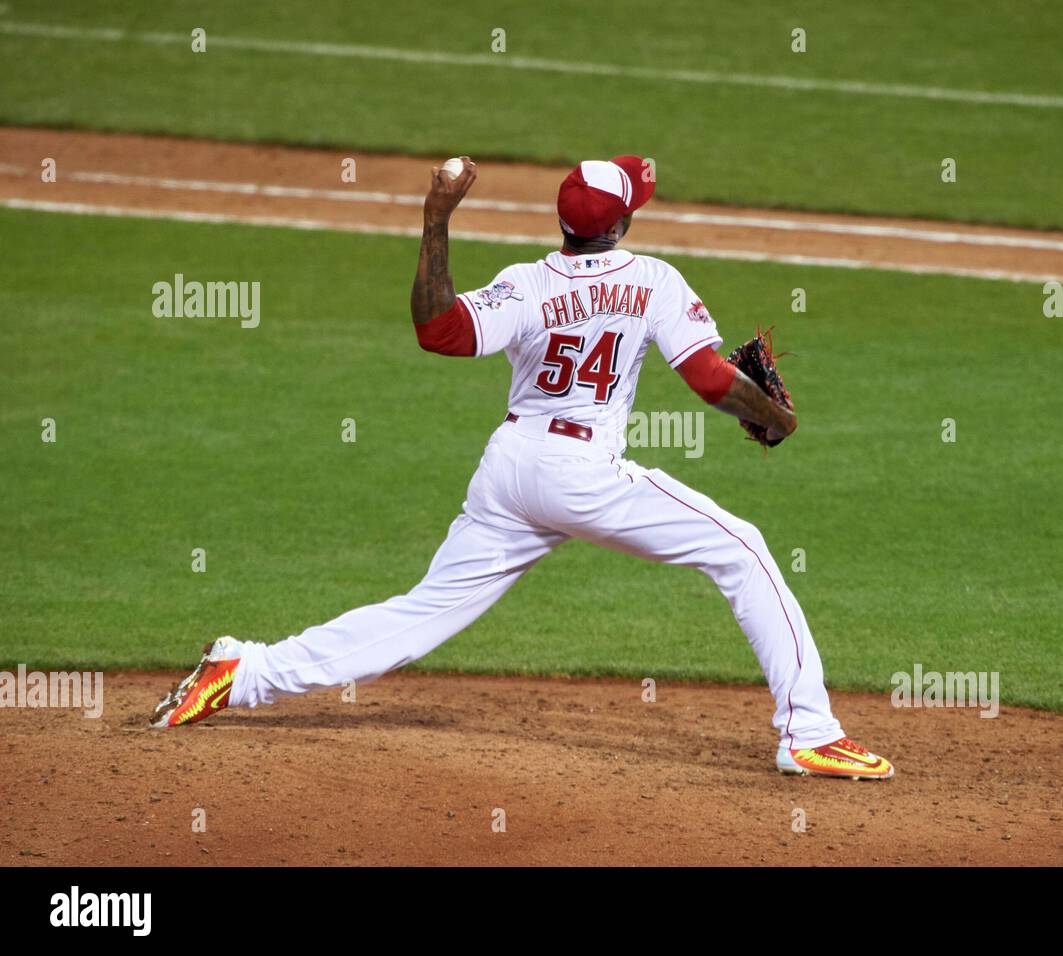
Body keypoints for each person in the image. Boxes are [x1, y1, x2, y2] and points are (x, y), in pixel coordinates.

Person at [149, 154, 894, 780]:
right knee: (743, 550)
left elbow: (438, 331)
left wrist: (437, 218)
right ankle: (809, 732)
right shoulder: (655, 280)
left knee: (421, 613)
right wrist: (777, 417)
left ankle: (243, 672)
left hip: (509, 474)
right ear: (623, 224)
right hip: (584, 477)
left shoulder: (525, 283)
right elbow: (707, 379)